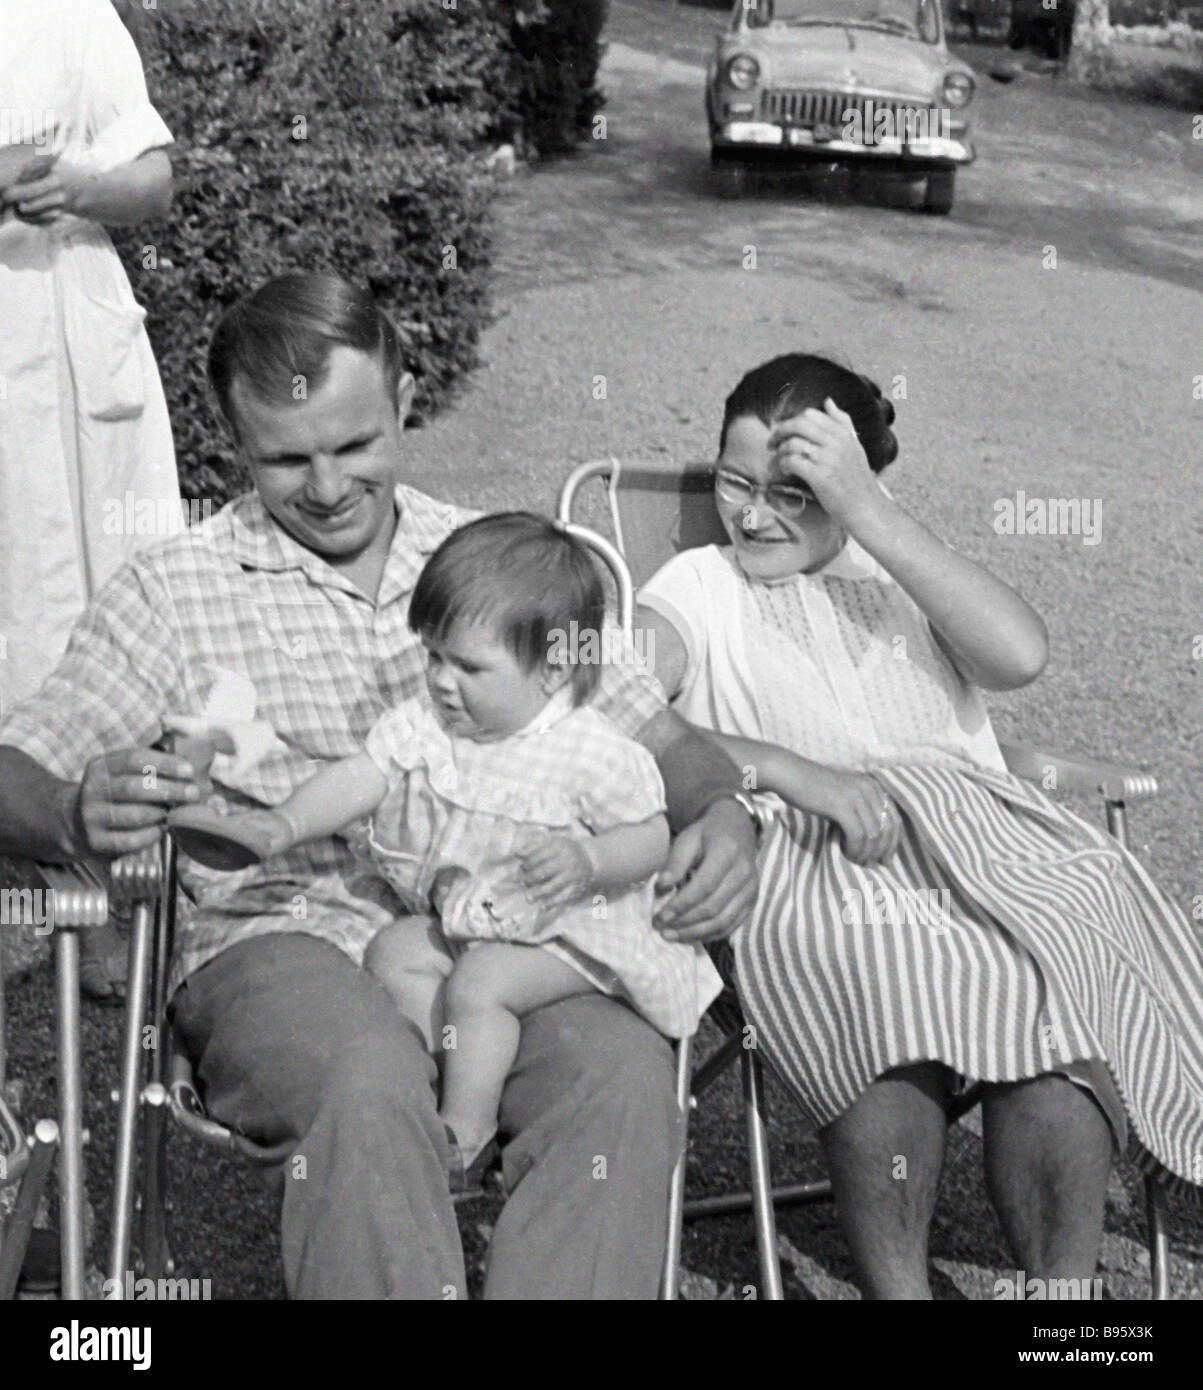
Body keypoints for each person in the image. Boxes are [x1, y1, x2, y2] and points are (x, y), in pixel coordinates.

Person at [0, 272, 759, 1299]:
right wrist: (68, 809)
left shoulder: (495, 565)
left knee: (621, 1085)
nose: (324, 487)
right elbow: (15, 767)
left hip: (502, 934)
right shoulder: (173, 590)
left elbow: (667, 741)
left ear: (404, 399)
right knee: (370, 1082)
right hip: (278, 936)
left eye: (355, 446)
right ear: (235, 444)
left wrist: (722, 810)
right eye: (285, 458)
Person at [637, 351, 1203, 1299]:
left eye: (794, 492)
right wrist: (782, 769)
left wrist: (869, 515)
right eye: (735, 483)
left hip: (980, 856)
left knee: (1055, 986)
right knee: (881, 984)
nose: (751, 515)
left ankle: (1066, 1313)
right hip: (816, 865)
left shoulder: (898, 568)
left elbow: (1018, 655)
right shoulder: (700, 586)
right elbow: (614, 702)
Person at [167, 511, 724, 1192]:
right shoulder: (427, 727)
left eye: (468, 666)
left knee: (482, 985)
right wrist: (281, 825)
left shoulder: (590, 751)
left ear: (551, 671)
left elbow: (650, 836)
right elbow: (359, 777)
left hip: (577, 926)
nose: (440, 679)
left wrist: (590, 862)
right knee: (397, 951)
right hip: (477, 917)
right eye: (433, 654)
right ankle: (423, 1082)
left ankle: (466, 1132)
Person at [0, 0, 179, 999]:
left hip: (62, 333)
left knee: (88, 597)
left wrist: (84, 187)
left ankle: (108, 888)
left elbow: (152, 180)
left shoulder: (69, 12)